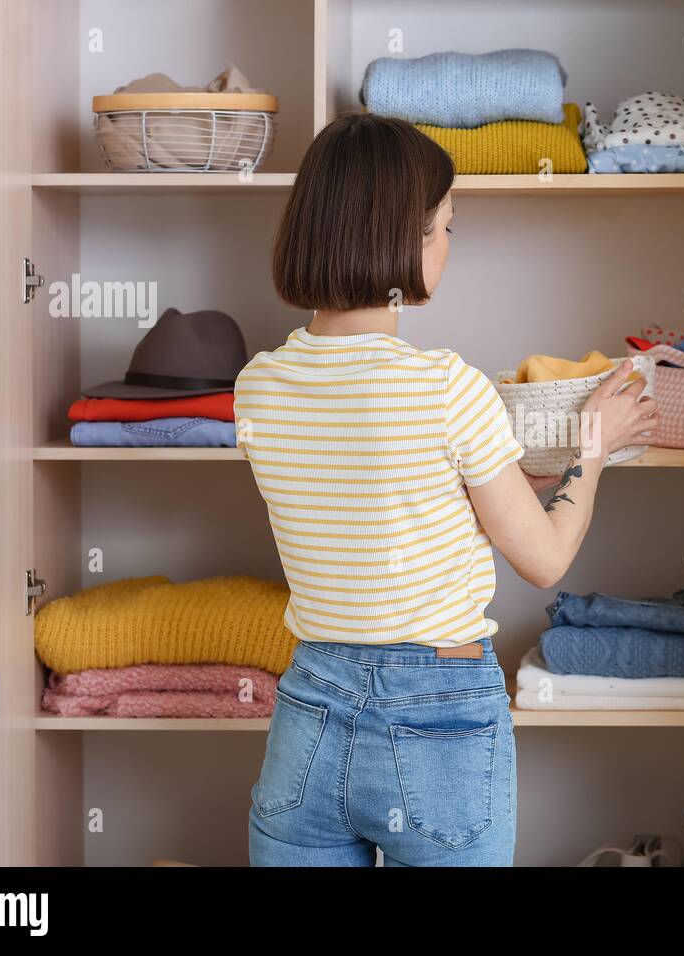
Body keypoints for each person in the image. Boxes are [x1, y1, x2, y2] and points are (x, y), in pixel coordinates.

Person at [237, 113, 656, 866]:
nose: (450, 246)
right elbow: (545, 560)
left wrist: (487, 477)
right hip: (438, 718)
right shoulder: (447, 388)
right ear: (407, 237)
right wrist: (597, 444)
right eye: (447, 227)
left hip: (308, 712)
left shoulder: (257, 388)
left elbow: (374, 496)